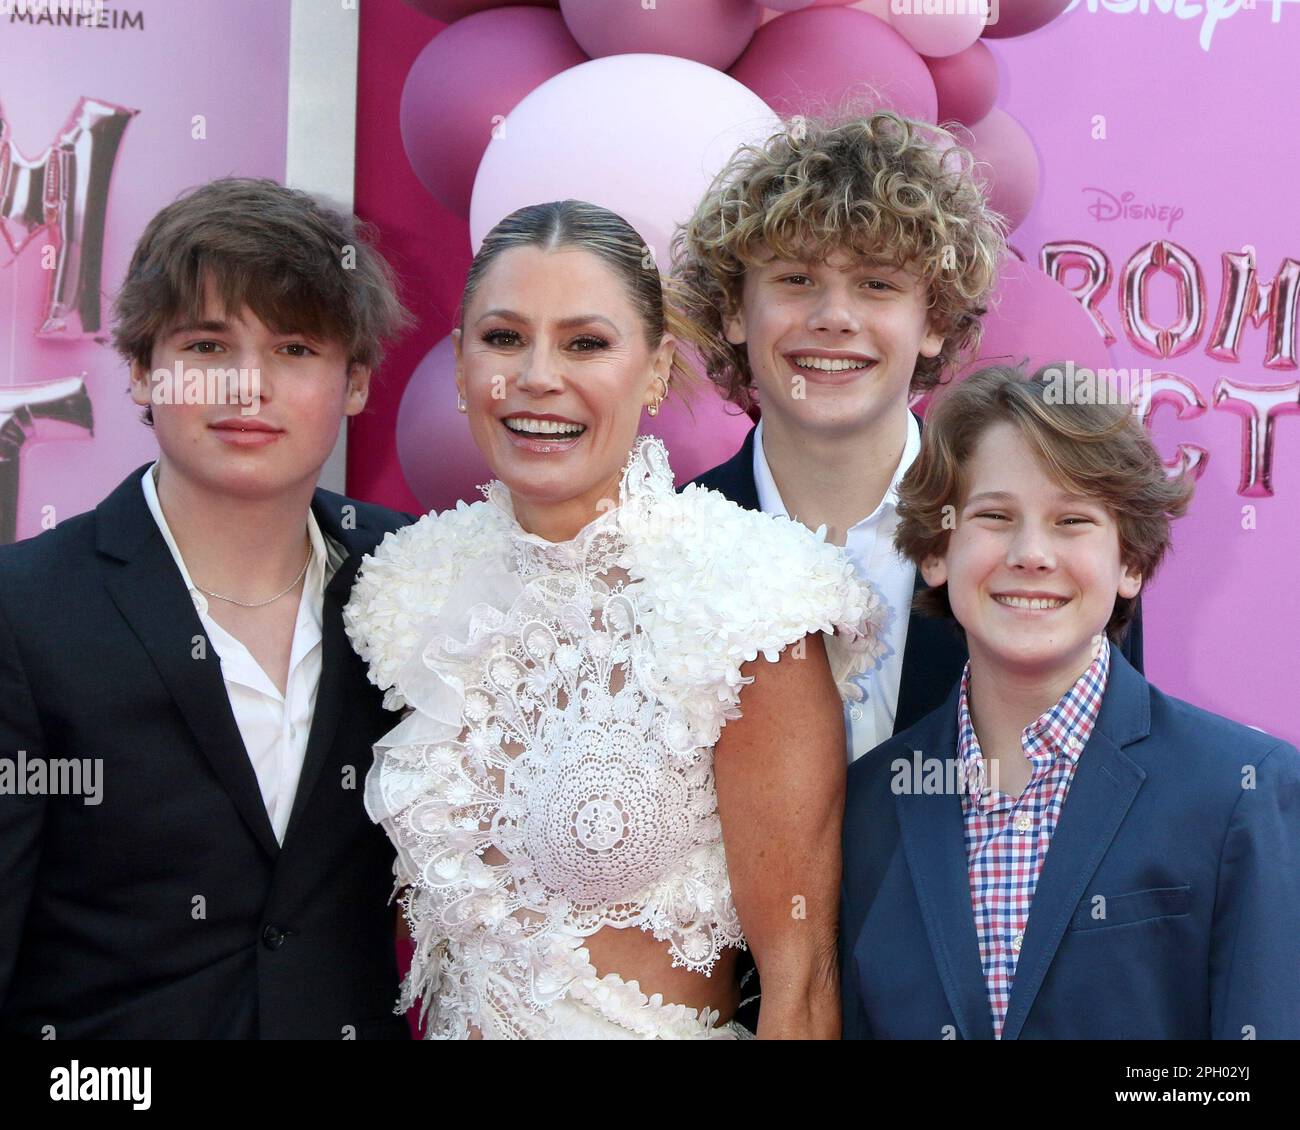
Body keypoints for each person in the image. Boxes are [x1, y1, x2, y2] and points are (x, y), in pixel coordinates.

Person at [343, 199, 884, 1040]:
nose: (538, 377)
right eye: (504, 338)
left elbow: (800, 986)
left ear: (657, 368)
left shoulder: (748, 595)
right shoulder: (405, 589)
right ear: (458, 364)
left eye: (586, 343)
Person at [674, 109, 1146, 1028]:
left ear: (935, 322)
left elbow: (1112, 834)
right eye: (796, 279)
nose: (834, 318)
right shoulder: (658, 552)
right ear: (735, 310)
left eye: (879, 284)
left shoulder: (1038, 554)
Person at [0, 177, 417, 1038]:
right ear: (142, 375)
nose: (246, 388)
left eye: (296, 349)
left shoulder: (418, 578)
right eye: (206, 347)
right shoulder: (24, 610)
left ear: (356, 385)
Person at [840, 364, 1300, 1039]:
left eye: (1072, 521)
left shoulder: (1243, 788)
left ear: (1131, 564)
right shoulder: (868, 803)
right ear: (937, 551)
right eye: (994, 516)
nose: (1031, 553)